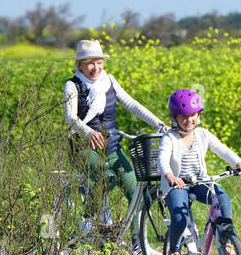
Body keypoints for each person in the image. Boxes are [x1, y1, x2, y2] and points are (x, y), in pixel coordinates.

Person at [63, 39, 165, 224]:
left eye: (99, 63)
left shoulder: (109, 81)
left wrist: (158, 123)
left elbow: (132, 104)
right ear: (80, 65)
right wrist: (89, 132)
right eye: (90, 63)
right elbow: (70, 117)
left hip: (111, 148)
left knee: (136, 193)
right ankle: (86, 219)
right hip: (82, 148)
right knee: (106, 177)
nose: (95, 68)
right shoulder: (72, 85)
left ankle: (137, 244)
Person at [159, 88, 241, 255]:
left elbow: (222, 149)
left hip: (200, 182)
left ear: (198, 114)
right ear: (175, 118)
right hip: (178, 185)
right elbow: (162, 159)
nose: (189, 120)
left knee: (221, 197)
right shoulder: (169, 137)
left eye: (193, 115)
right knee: (179, 217)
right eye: (183, 117)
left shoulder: (203, 134)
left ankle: (227, 242)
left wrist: (239, 162)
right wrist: (170, 176)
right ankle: (174, 252)